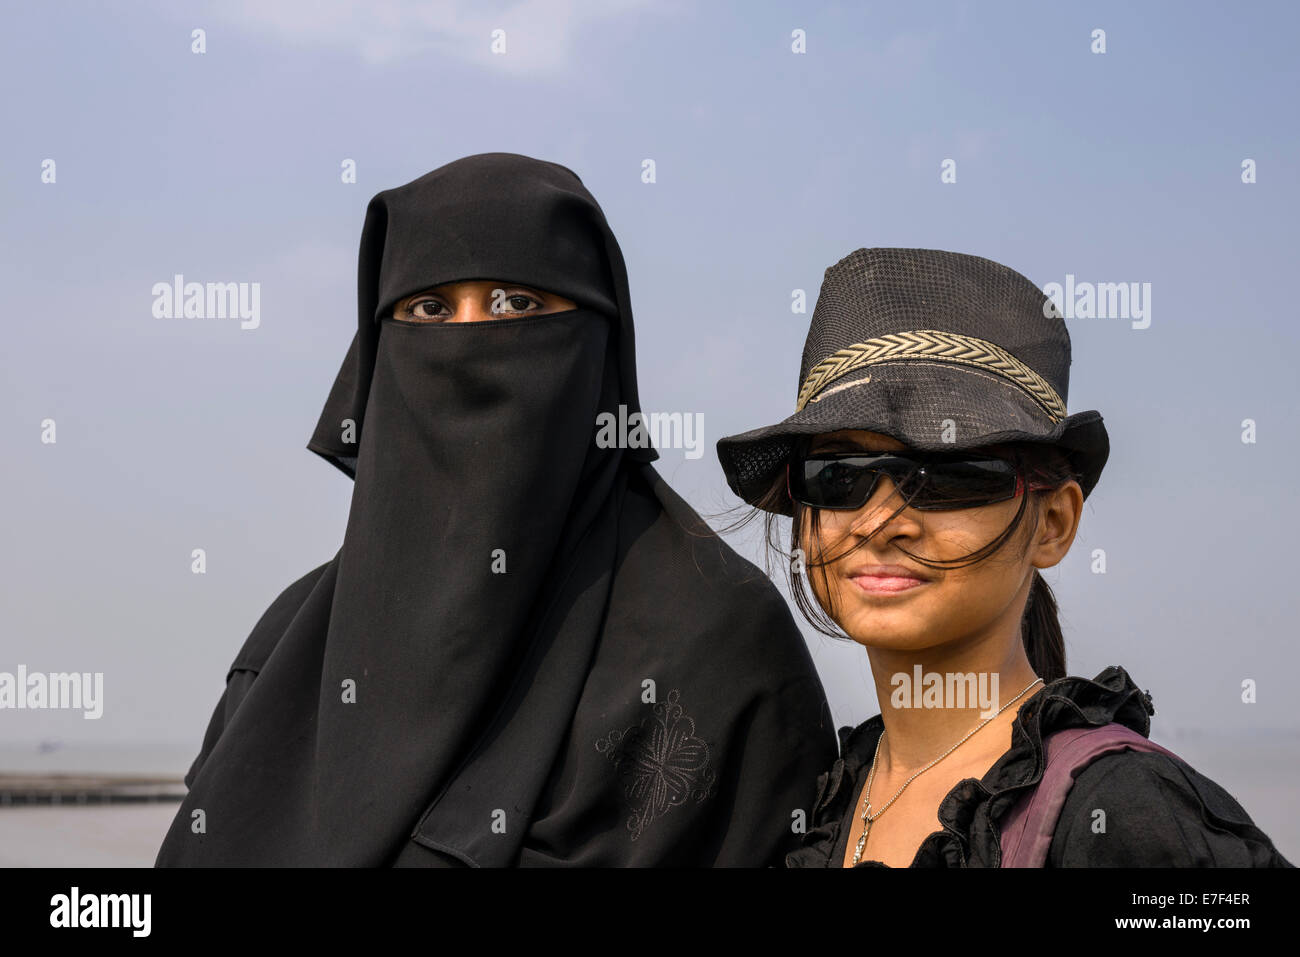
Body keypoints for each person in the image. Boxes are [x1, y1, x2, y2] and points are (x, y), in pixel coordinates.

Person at [155, 152, 836, 867]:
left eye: (517, 303)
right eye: (430, 309)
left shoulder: (718, 643)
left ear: (596, 341)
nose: (472, 339)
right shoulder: (289, 648)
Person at [715, 247, 1293, 867]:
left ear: (1054, 522)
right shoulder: (815, 804)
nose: (880, 523)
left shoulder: (1119, 813)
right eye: (838, 474)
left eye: (949, 475)